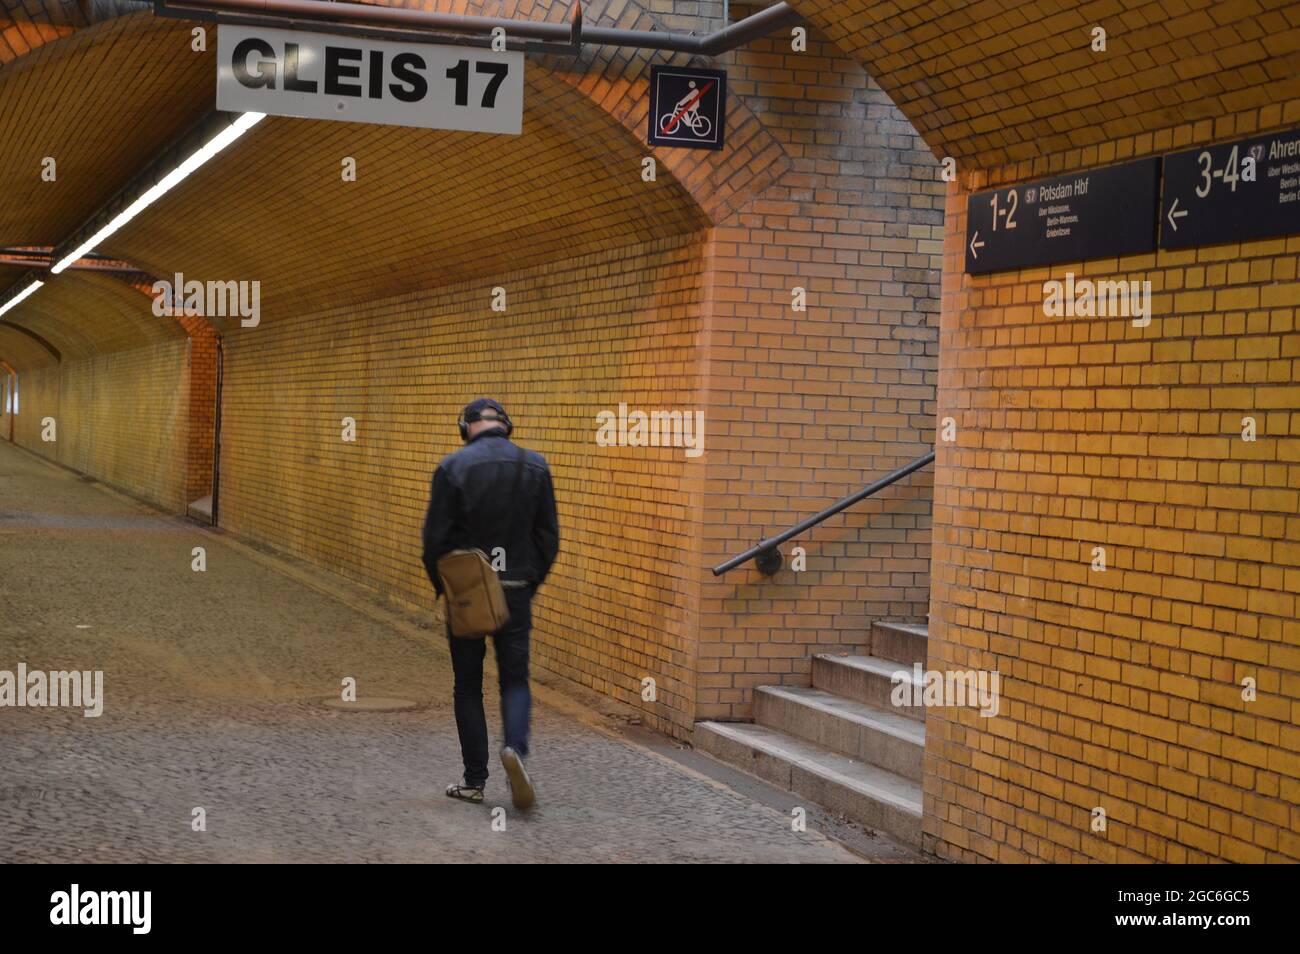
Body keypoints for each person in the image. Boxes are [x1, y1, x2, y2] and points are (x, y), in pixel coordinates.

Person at [422, 398, 559, 811]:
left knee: (467, 685)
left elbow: (435, 542)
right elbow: (548, 537)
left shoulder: (452, 467)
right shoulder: (535, 466)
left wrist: (443, 587)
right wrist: (529, 584)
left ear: (466, 428)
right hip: (515, 587)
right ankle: (514, 748)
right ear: (506, 425)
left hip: (468, 593)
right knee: (514, 680)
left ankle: (473, 781)